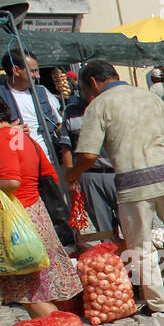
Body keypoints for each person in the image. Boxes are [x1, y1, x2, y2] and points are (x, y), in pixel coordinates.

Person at [69, 61, 164, 314]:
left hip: (133, 185)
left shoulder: (98, 105)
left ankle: (158, 304)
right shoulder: (149, 97)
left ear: (94, 83)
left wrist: (70, 175)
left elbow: (87, 155)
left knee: (141, 246)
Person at [0, 91, 81, 318]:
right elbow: (49, 174)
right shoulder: (19, 136)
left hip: (14, 227)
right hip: (33, 215)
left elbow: (10, 180)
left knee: (29, 294)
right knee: (37, 291)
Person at [0, 49, 70, 173]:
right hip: (21, 168)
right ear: (16, 70)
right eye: (33, 71)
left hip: (51, 162)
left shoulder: (42, 92)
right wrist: (7, 131)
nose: (38, 76)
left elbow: (58, 124)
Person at [62, 86, 119, 237]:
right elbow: (66, 146)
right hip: (89, 175)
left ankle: (136, 258)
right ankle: (110, 257)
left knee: (132, 226)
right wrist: (70, 174)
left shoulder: (114, 105)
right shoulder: (72, 111)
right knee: (103, 230)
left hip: (119, 172)